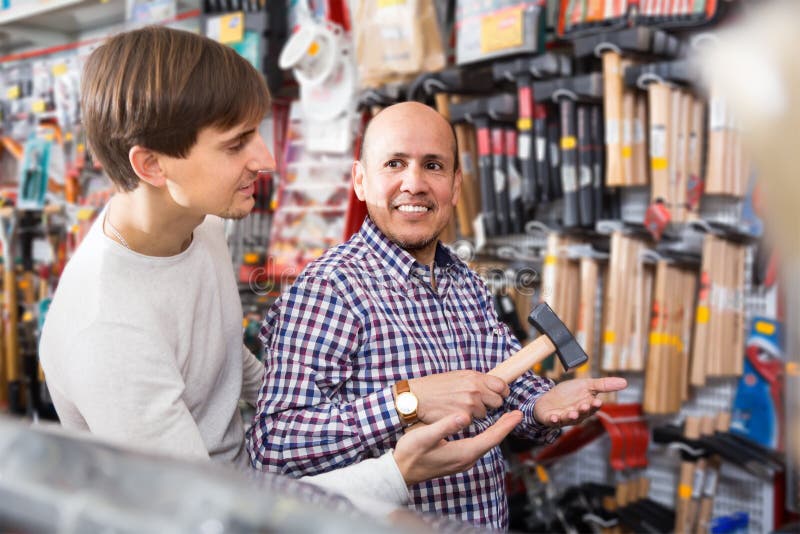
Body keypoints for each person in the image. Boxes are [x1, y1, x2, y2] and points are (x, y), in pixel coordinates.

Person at [38, 26, 525, 506]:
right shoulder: (108, 330)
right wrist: (397, 461)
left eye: (257, 132)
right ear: (151, 165)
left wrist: (307, 383)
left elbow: (225, 362)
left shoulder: (199, 223)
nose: (266, 158)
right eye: (236, 143)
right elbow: (203, 510)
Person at [247, 101, 628, 530]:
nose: (415, 183)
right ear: (360, 180)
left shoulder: (465, 282)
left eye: (433, 165)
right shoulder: (329, 289)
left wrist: (541, 405)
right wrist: (406, 403)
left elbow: (504, 381)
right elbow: (273, 448)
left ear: (455, 184)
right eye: (394, 163)